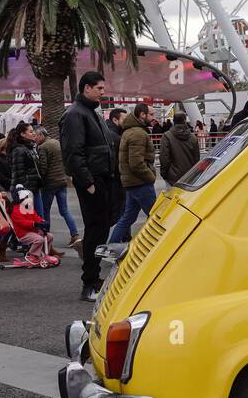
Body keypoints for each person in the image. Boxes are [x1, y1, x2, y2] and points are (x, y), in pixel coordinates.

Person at [60, 72, 120, 301]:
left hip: (102, 180)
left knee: (101, 229)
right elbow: (73, 153)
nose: (103, 92)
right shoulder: (75, 114)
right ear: (87, 88)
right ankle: (89, 283)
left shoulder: (89, 112)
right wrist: (88, 183)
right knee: (96, 230)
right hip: (93, 182)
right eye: (99, 88)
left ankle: (93, 278)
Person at [107, 102, 158, 252]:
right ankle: (153, 248)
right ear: (142, 115)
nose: (153, 118)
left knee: (128, 216)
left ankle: (110, 247)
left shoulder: (130, 131)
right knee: (155, 216)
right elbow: (136, 163)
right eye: (151, 114)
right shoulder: (138, 133)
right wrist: (150, 177)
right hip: (140, 182)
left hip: (132, 182)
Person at [34, 124, 81, 250]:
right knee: (64, 210)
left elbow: (43, 167)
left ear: (41, 135)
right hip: (61, 181)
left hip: (49, 184)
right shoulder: (56, 142)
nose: (35, 139)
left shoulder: (43, 147)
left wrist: (39, 180)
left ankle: (46, 237)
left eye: (35, 136)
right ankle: (75, 235)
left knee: (45, 210)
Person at [159, 111, 201, 186]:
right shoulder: (193, 138)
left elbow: (164, 158)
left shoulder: (167, 136)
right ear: (185, 120)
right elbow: (197, 158)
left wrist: (164, 174)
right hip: (189, 177)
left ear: (173, 121)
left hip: (172, 177)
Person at [9, 121, 43, 194]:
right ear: (22, 134)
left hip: (34, 188)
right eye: (31, 132)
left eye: (33, 131)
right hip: (26, 190)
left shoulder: (31, 147)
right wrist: (25, 190)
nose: (34, 133)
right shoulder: (18, 150)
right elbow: (19, 173)